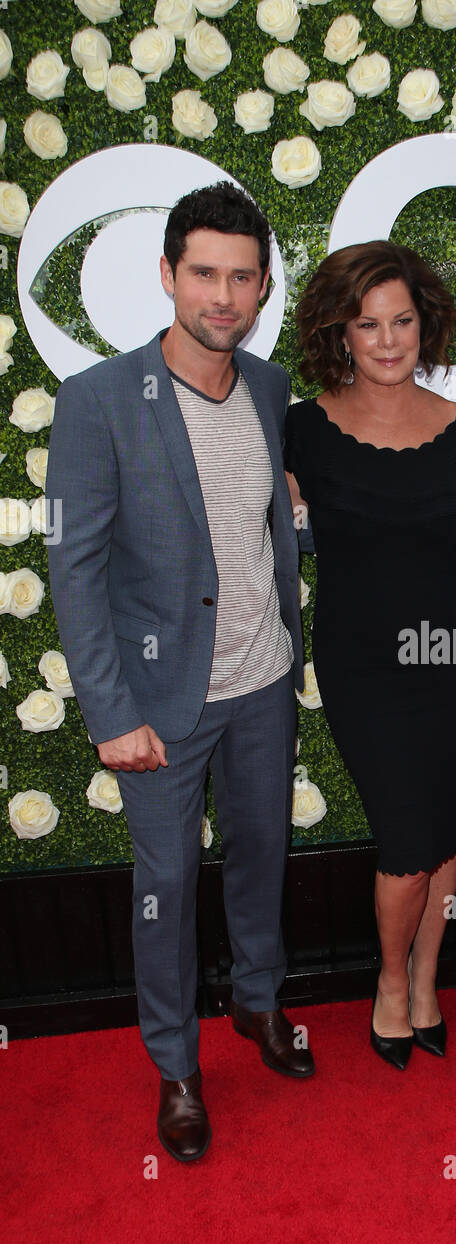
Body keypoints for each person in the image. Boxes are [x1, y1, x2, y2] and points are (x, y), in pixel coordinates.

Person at [46, 182, 312, 1165]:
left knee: (261, 858)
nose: (224, 295)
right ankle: (177, 1066)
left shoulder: (273, 391)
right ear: (168, 275)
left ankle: (258, 1005)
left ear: (261, 285)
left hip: (263, 679)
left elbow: (264, 531)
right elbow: (73, 565)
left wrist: (301, 521)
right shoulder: (98, 401)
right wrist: (111, 712)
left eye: (243, 276)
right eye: (205, 272)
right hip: (159, 702)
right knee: (164, 886)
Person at [283, 241, 456, 1070]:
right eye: (367, 324)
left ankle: (429, 976)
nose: (388, 338)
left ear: (424, 324)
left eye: (401, 319)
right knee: (408, 842)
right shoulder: (301, 428)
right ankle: (389, 983)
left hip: (455, 662)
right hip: (362, 665)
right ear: (340, 333)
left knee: (447, 836)